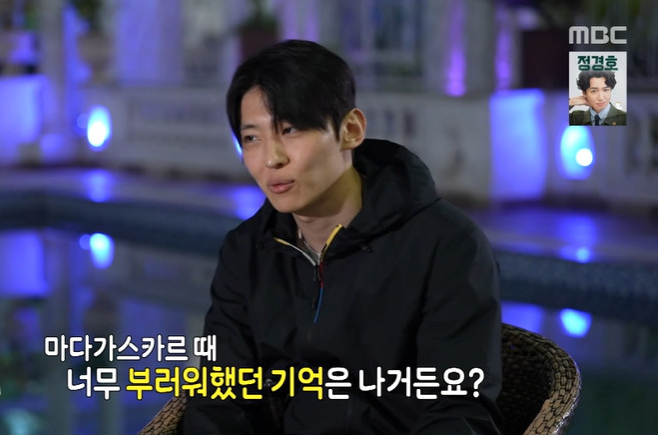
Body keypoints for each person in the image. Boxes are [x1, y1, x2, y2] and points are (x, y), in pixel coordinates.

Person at [182, 39, 503, 434]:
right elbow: (220, 395)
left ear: (350, 130)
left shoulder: (447, 245)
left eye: (290, 130)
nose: (271, 158)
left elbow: (459, 411)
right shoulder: (247, 250)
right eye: (252, 138)